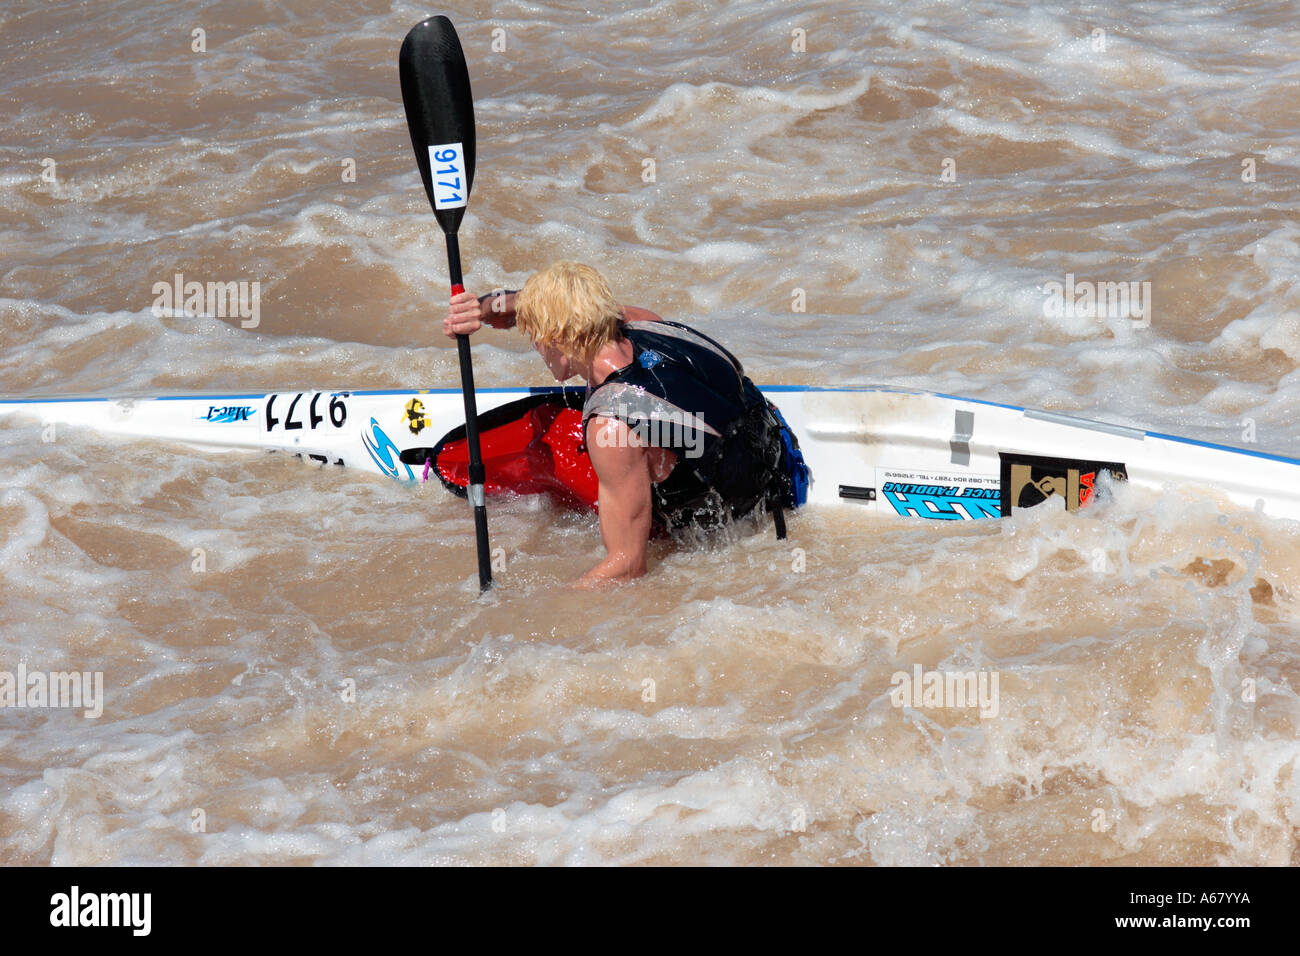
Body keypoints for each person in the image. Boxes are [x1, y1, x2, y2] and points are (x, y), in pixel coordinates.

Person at [443, 261, 808, 588]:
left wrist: (543, 609)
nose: (536, 344)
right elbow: (547, 305)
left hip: (733, 530)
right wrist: (484, 307)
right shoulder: (641, 321)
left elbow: (628, 566)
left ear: (557, 338)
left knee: (566, 439)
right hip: (780, 462)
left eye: (535, 335)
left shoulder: (611, 428)